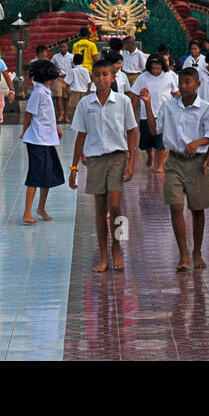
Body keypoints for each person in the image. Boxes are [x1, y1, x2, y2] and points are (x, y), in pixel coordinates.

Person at [141, 67, 209, 271]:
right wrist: (148, 105)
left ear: (197, 85)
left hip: (196, 162)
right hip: (174, 161)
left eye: (188, 82)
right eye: (182, 82)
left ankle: (197, 251)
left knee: (197, 209)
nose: (184, 86)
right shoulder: (169, 106)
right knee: (176, 206)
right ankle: (183, 252)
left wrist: (198, 142)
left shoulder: (205, 108)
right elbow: (154, 129)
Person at [69, 58, 139, 272]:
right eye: (97, 75)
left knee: (116, 206)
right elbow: (81, 135)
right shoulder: (85, 104)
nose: (101, 79)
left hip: (117, 157)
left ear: (113, 77)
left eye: (105, 75)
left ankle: (117, 247)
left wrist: (131, 162)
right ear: (92, 78)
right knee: (100, 208)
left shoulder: (123, 102)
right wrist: (74, 168)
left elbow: (132, 131)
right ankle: (103, 254)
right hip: (95, 160)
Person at [21, 59, 65, 223]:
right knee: (35, 174)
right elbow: (28, 114)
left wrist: (55, 127)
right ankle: (27, 212)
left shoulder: (44, 91)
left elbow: (46, 115)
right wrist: (24, 131)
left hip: (47, 139)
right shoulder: (38, 93)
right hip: (37, 139)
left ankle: (41, 208)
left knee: (47, 174)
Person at [133, 52, 179, 173]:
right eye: (153, 68)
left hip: (164, 115)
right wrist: (132, 114)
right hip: (146, 115)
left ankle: (159, 165)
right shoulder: (143, 77)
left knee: (161, 142)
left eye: (158, 68)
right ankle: (150, 155)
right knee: (146, 142)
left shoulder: (170, 76)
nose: (156, 71)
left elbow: (176, 93)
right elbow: (135, 95)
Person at [50, 41, 74, 123]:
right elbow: (51, 65)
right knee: (58, 97)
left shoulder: (71, 57)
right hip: (59, 78)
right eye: (61, 47)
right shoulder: (55, 57)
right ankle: (60, 114)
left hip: (68, 79)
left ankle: (66, 116)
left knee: (66, 98)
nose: (62, 48)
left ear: (67, 47)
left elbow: (74, 67)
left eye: (64, 47)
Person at [68, 51, 91, 120]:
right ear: (82, 61)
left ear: (73, 61)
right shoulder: (85, 70)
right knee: (84, 108)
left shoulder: (72, 71)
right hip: (84, 92)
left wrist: (68, 92)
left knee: (74, 109)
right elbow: (89, 82)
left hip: (75, 91)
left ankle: (75, 121)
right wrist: (88, 91)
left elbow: (67, 83)